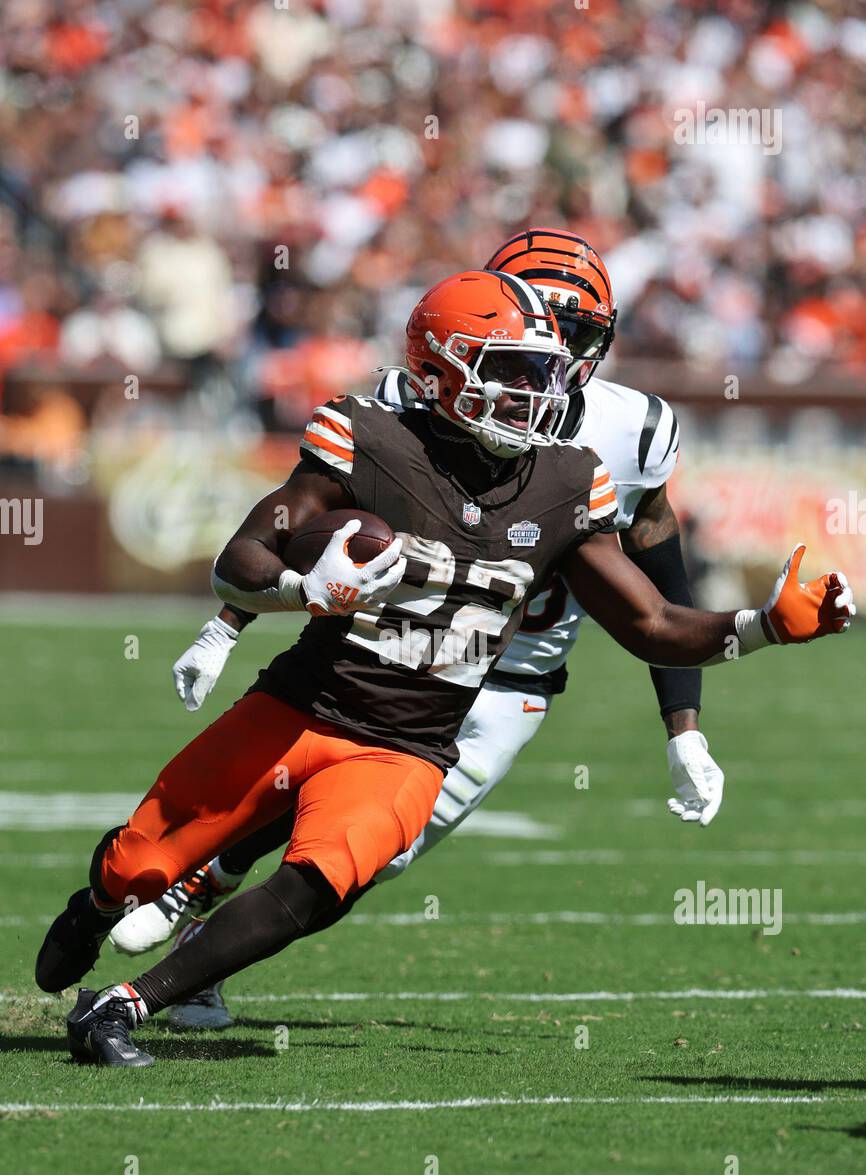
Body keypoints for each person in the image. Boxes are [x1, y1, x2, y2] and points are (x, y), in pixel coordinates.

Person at [35, 268, 854, 1066]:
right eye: (512, 372)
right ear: (439, 370)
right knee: (137, 866)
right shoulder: (370, 437)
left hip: (411, 745)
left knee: (318, 886)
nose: (537, 392)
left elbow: (651, 621)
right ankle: (98, 902)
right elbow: (243, 552)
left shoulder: (569, 483)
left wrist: (763, 626)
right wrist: (296, 589)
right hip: (299, 707)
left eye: (544, 371)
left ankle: (127, 1004)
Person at [119, 230, 725, 1031]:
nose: (561, 352)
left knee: (382, 850)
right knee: (301, 772)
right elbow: (308, 518)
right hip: (396, 643)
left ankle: (208, 919)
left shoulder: (634, 427)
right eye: (546, 327)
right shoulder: (420, 400)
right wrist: (232, 617)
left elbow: (663, 582)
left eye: (580, 334)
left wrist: (684, 727)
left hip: (514, 674)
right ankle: (206, 879)